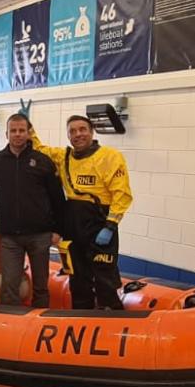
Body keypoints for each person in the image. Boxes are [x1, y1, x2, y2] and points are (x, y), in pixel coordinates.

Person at [32, 115, 133, 309]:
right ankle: (81, 317)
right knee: (77, 279)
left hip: (100, 223)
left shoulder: (110, 157)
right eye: (73, 131)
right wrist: (29, 127)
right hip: (73, 223)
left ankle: (111, 319)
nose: (78, 134)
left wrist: (111, 226)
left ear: (91, 131)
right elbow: (39, 149)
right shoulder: (64, 157)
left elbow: (122, 194)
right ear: (68, 135)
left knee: (105, 280)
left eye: (82, 129)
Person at [0, 113, 64, 307]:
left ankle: (41, 322)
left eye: (21, 130)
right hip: (10, 237)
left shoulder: (43, 162)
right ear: (6, 134)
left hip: (40, 235)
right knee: (9, 286)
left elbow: (58, 198)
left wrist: (58, 230)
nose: (17, 134)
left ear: (28, 133)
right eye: (13, 131)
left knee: (41, 286)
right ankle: (11, 327)